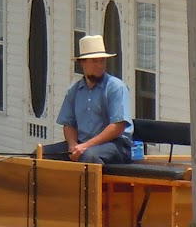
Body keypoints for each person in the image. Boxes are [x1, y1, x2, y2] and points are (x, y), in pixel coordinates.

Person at [41, 35, 135, 165]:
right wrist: (72, 145)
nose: (100, 65)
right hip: (83, 144)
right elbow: (69, 124)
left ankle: (90, 186)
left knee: (88, 156)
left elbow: (117, 127)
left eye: (102, 61)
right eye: (95, 61)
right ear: (83, 62)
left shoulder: (116, 87)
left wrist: (85, 146)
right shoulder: (74, 90)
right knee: (40, 155)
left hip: (116, 145)